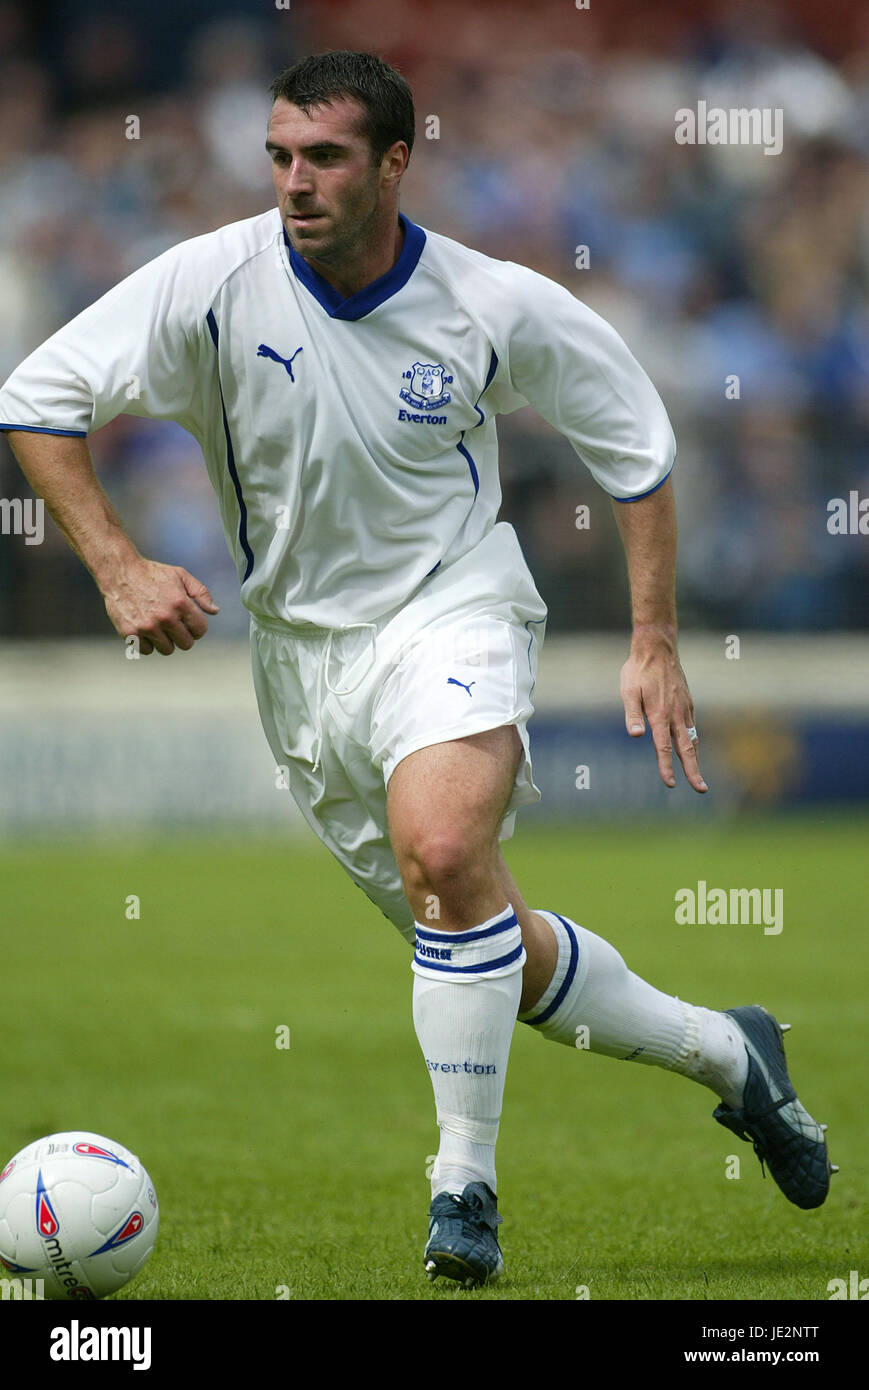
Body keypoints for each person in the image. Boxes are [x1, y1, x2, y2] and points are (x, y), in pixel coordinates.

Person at [0, 50, 833, 1290]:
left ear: (395, 162)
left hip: (454, 608)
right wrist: (117, 563)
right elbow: (36, 397)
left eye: (325, 156)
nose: (294, 181)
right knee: (476, 928)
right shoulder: (211, 283)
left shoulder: (490, 301)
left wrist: (655, 637)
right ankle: (729, 1054)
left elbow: (635, 449)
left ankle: (462, 1190)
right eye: (280, 155)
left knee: (444, 857)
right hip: (297, 660)